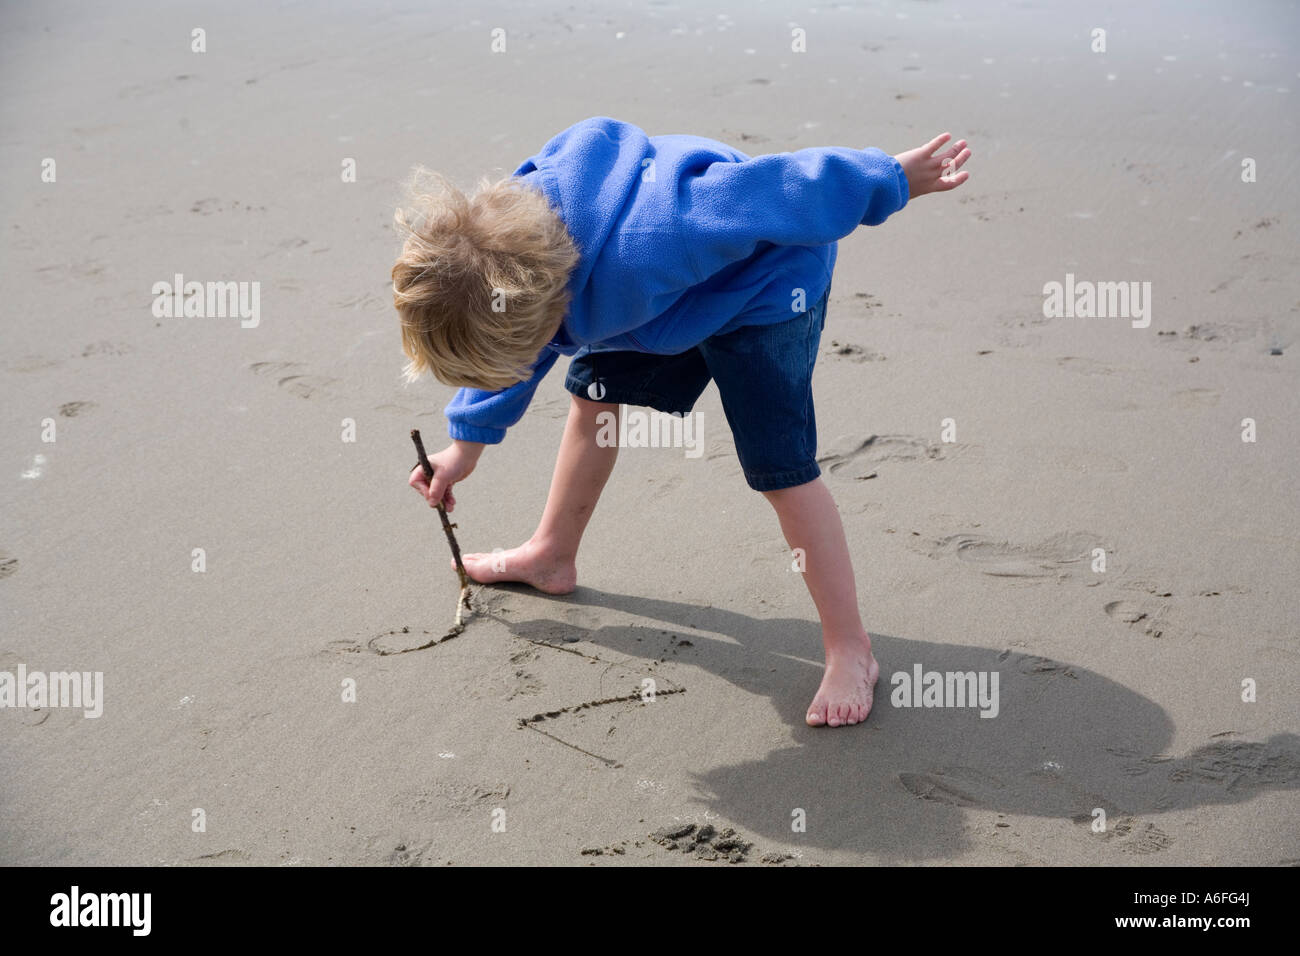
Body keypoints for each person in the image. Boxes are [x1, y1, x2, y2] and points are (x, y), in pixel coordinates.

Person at [393, 117, 971, 727]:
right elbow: (520, 349)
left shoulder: (664, 231)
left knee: (781, 472)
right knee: (593, 402)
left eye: (526, 347)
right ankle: (550, 556)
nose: (528, 358)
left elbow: (775, 189)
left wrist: (892, 178)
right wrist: (466, 447)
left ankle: (850, 647)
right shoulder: (507, 270)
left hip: (767, 288)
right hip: (631, 302)